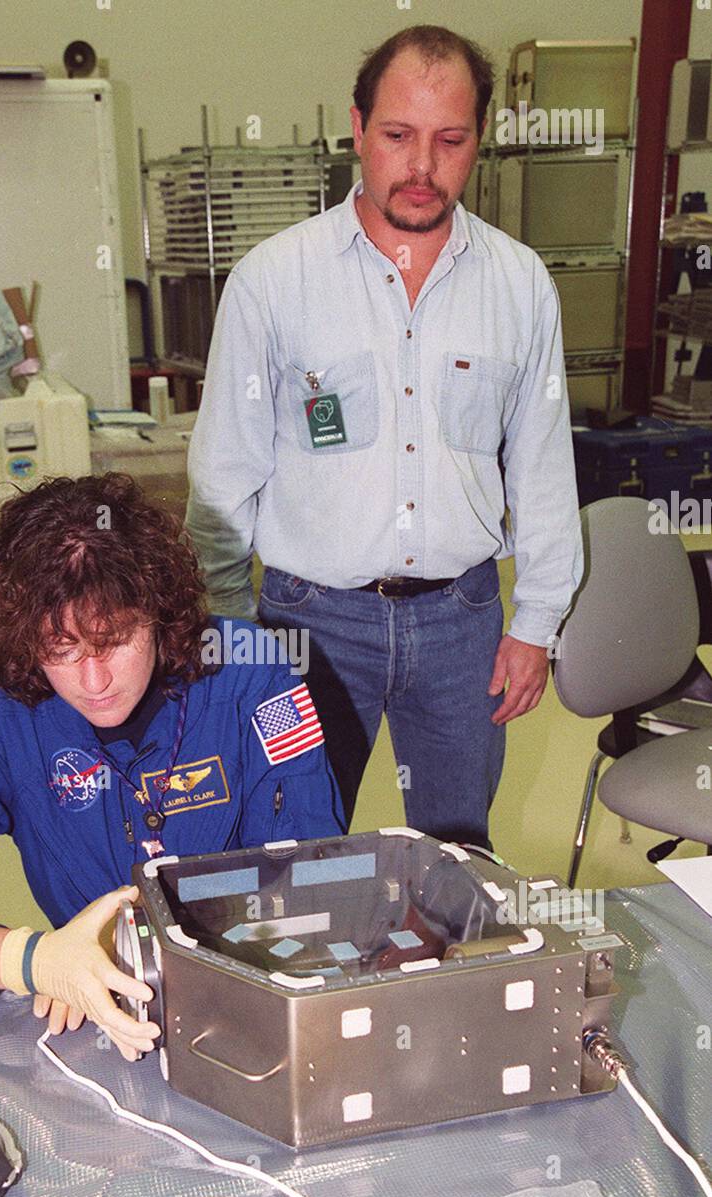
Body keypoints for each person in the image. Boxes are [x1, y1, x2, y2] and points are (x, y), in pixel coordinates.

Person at [185, 23, 583, 847]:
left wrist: (534, 623)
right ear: (358, 129)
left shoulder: (520, 286)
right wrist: (230, 628)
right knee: (284, 848)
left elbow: (544, 467)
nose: (422, 167)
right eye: (398, 136)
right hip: (309, 623)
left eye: (450, 140)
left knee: (456, 854)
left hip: (463, 621)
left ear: (480, 142)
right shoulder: (274, 281)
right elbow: (223, 474)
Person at [0, 474, 344, 1052]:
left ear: (159, 611)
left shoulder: (253, 672)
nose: (94, 681)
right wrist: (33, 960)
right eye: (60, 650)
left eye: (113, 640)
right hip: (93, 1022)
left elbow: (312, 865)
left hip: (248, 996)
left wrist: (151, 953)